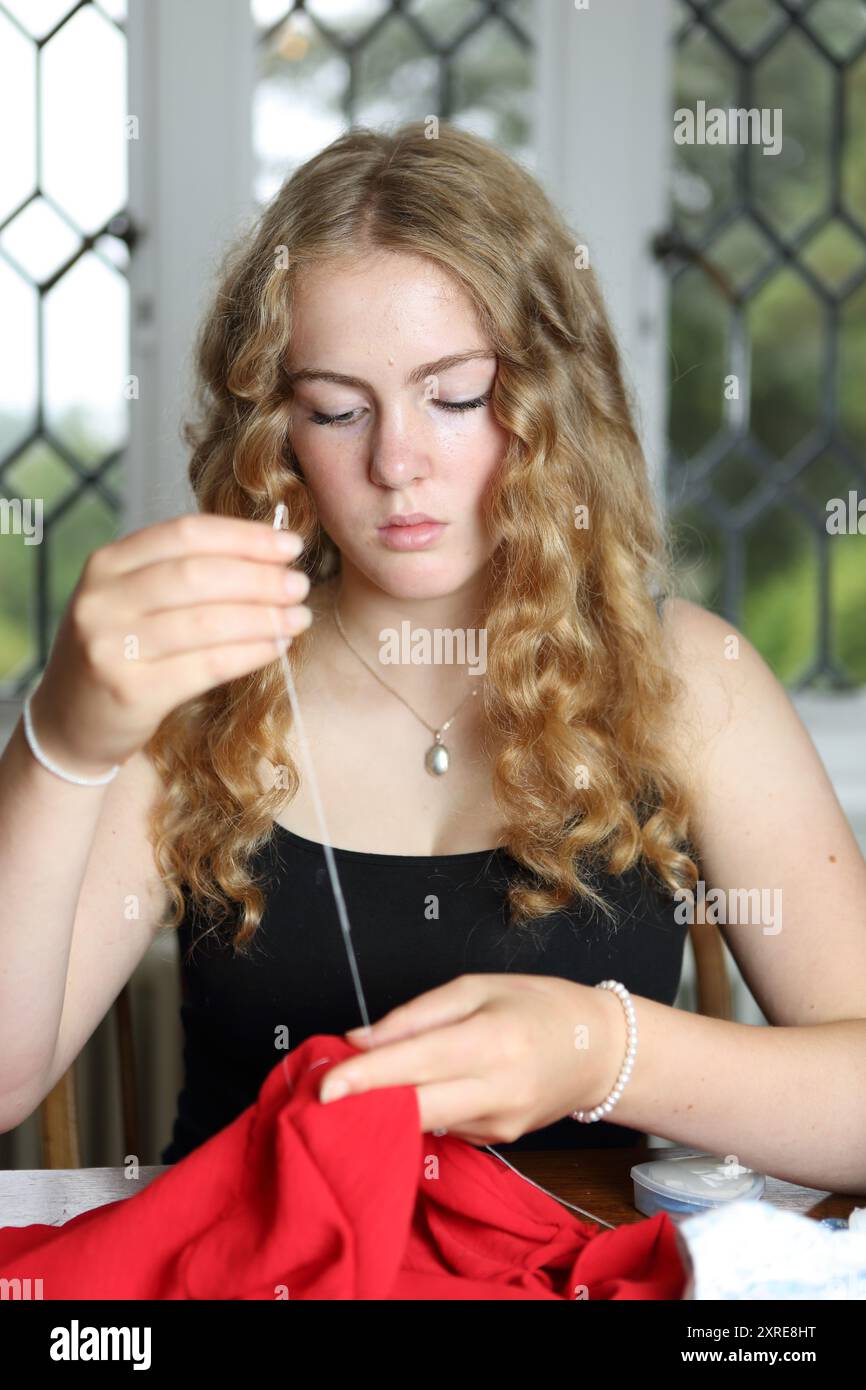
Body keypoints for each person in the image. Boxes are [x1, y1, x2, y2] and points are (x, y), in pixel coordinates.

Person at [1, 122, 865, 1193]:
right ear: (277, 430)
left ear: (552, 405)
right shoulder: (198, 683)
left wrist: (603, 1052)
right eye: (334, 408)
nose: (394, 463)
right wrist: (58, 741)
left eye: (454, 398)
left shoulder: (689, 680)